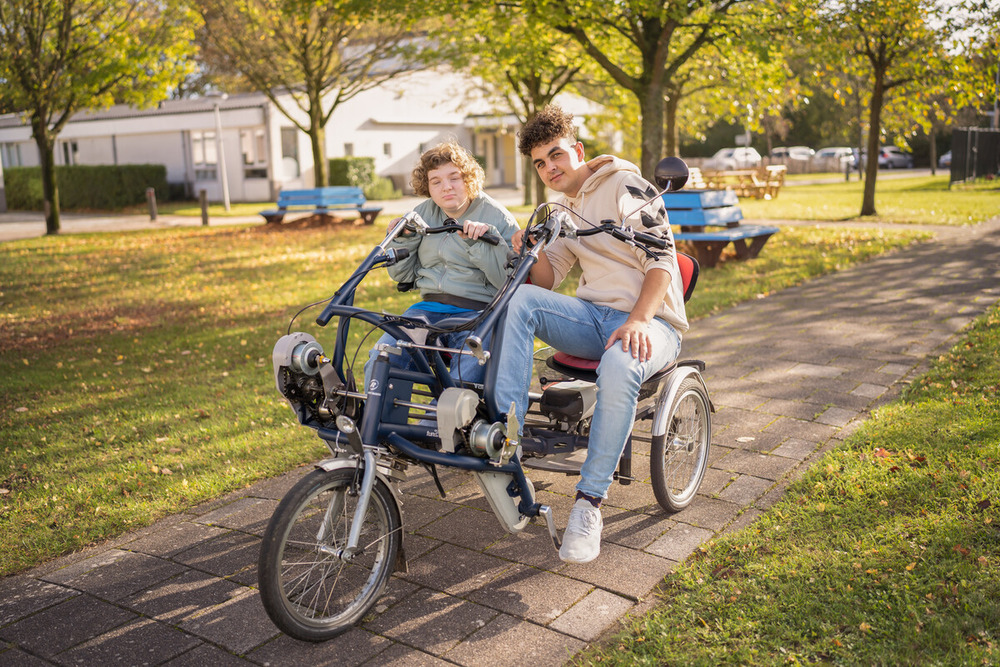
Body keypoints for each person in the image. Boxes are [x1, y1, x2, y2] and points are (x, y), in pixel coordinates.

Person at [494, 105, 689, 564]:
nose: (550, 168)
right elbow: (546, 280)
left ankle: (589, 504)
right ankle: (507, 439)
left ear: (577, 150)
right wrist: (527, 250)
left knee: (622, 360)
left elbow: (662, 262)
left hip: (652, 322)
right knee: (519, 302)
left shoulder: (629, 186)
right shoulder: (560, 206)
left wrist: (639, 319)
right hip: (592, 317)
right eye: (540, 163)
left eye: (556, 155)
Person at [364, 140, 519, 388]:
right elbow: (402, 275)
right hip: (426, 311)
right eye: (436, 181)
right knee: (382, 357)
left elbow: (506, 282)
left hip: (478, 314)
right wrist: (405, 238)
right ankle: (379, 426)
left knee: (466, 377)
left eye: (454, 178)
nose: (446, 187)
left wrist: (480, 242)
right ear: (428, 186)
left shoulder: (497, 216)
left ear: (468, 179)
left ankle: (447, 424)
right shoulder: (421, 214)